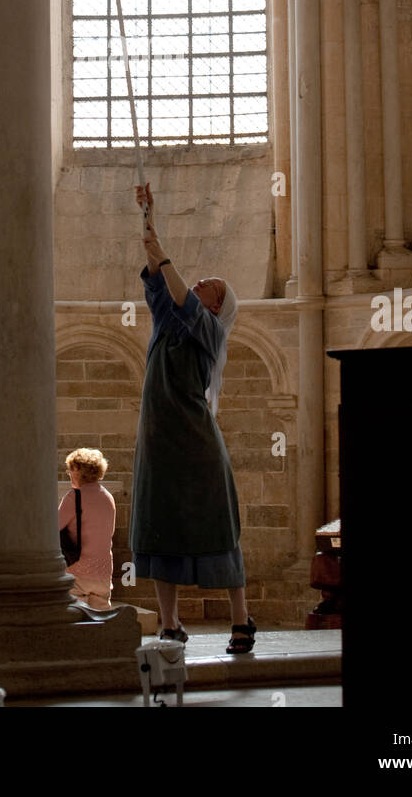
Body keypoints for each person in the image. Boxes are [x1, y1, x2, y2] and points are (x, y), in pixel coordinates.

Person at [128, 182, 255, 654]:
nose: (201, 283)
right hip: (159, 442)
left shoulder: (210, 331)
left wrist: (163, 252)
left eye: (211, 286)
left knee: (218, 527)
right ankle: (169, 622)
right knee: (161, 527)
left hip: (197, 445)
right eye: (201, 280)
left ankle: (240, 622)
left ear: (218, 306)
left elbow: (177, 288)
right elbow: (159, 278)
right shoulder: (168, 320)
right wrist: (147, 216)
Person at [58, 447, 116, 610]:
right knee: (102, 618)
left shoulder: (73, 497)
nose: (69, 473)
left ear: (77, 470)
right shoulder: (108, 497)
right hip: (103, 573)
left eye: (70, 469)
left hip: (78, 572)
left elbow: (53, 528)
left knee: (77, 618)